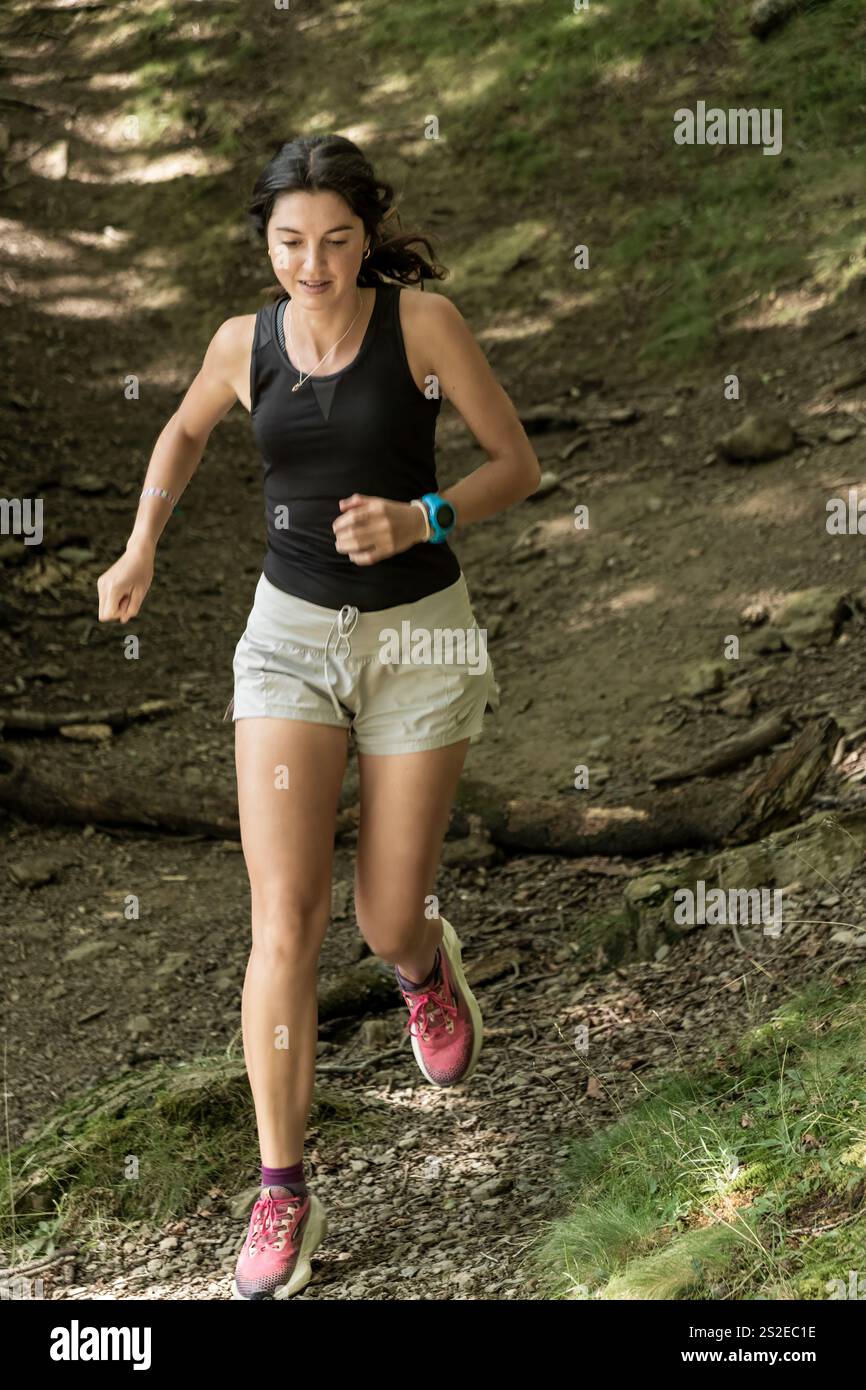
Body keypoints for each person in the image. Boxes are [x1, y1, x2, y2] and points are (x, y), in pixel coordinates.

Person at [96, 133, 541, 1300]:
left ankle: (421, 967)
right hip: (289, 642)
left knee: (385, 914)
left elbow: (515, 464)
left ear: (365, 234)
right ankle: (282, 1187)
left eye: (335, 240)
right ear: (267, 244)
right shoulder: (242, 344)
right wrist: (140, 544)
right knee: (282, 920)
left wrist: (422, 516)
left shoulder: (424, 327)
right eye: (290, 243)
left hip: (420, 641)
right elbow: (184, 429)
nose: (313, 264)